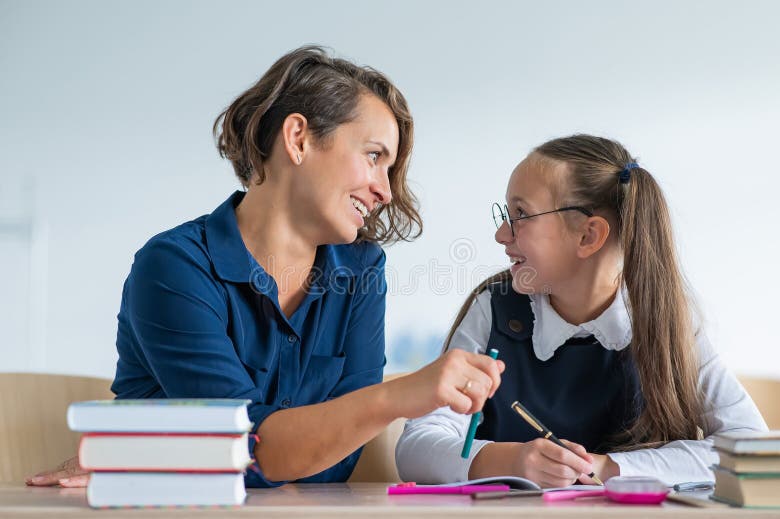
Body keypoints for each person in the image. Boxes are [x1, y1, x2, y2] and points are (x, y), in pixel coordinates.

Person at [26, 45, 503, 489]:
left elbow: (336, 459)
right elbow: (248, 451)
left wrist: (167, 454)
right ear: (298, 138)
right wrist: (397, 398)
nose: (385, 191)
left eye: (389, 168)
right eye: (374, 156)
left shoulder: (361, 270)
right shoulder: (174, 268)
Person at [395, 134, 767, 488]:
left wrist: (608, 468)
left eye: (521, 214)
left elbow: (750, 448)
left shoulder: (666, 320)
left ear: (588, 236)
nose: (501, 235)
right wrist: (511, 461)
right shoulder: (493, 310)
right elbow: (417, 446)